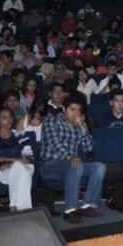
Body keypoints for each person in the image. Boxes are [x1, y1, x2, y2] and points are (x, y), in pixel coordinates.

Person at [40, 95, 106, 223]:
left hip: (72, 165)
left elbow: (88, 148)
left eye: (78, 110)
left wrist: (82, 127)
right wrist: (70, 157)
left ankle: (88, 205)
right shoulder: (51, 121)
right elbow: (55, 144)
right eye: (72, 109)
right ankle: (70, 210)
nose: (75, 113)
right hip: (50, 165)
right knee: (76, 164)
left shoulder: (79, 124)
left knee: (99, 167)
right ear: (64, 108)